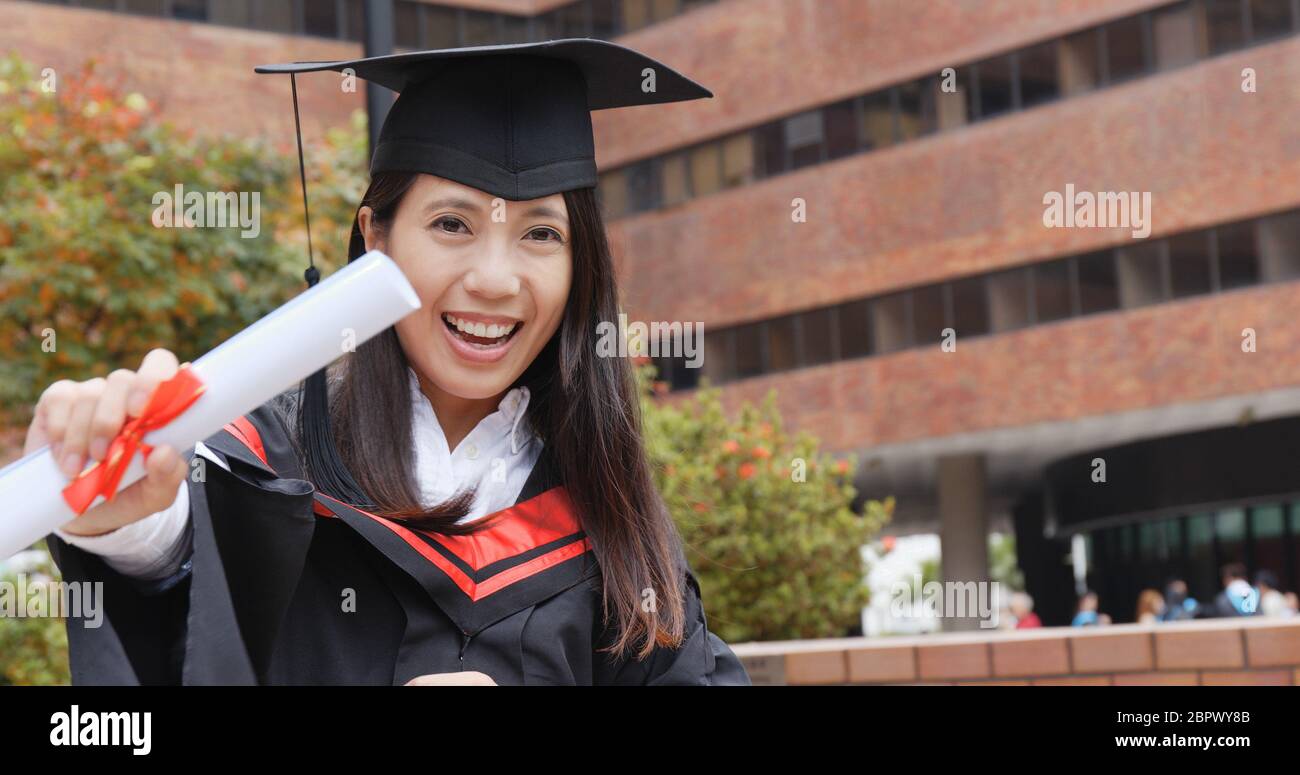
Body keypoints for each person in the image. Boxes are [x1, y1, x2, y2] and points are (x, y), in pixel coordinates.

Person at [29, 40, 750, 685]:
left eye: (540, 232)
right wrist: (129, 531)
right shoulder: (262, 468)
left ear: (580, 264)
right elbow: (175, 569)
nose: (496, 279)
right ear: (376, 236)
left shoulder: (606, 515)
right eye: (451, 224)